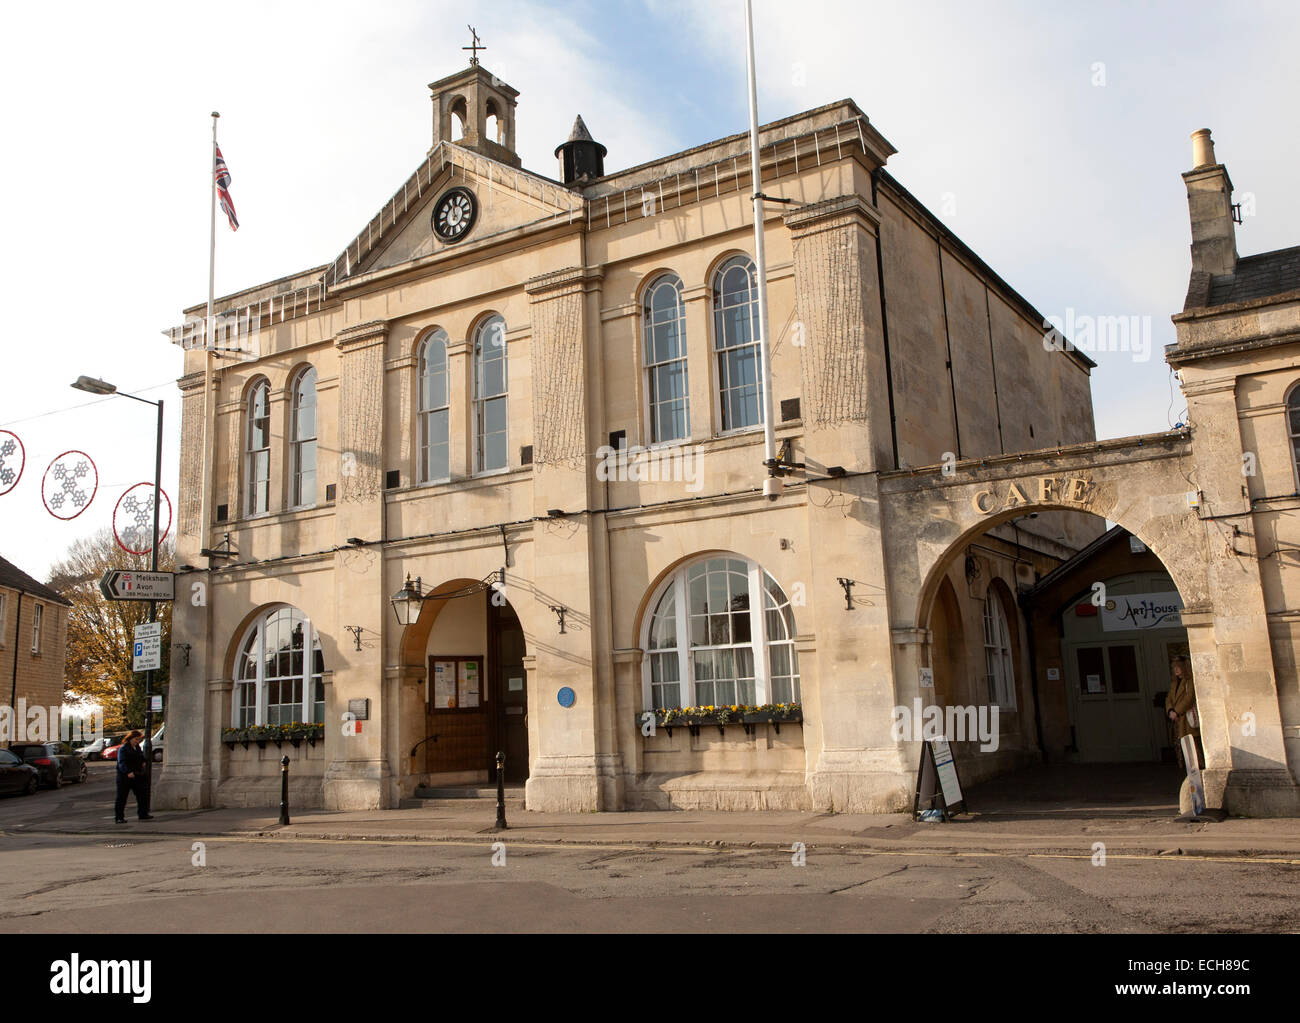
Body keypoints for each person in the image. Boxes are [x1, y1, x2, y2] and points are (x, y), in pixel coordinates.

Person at [1165, 655, 1203, 771]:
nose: (1176, 669)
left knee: (1193, 747)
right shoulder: (1174, 683)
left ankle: (1197, 771)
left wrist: (1177, 711)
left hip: (1187, 720)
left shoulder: (1190, 681)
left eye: (1178, 667)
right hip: (1178, 720)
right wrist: (1170, 710)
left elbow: (1189, 698)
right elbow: (1169, 698)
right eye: (1174, 667)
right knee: (1182, 747)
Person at [114, 730, 153, 823]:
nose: (137, 741)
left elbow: (141, 757)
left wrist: (143, 761)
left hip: (136, 775)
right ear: (130, 738)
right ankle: (119, 817)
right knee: (122, 797)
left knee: (142, 794)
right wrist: (128, 772)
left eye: (138, 740)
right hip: (125, 777)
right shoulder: (123, 749)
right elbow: (121, 762)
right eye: (136, 739)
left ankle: (143, 814)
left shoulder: (137, 747)